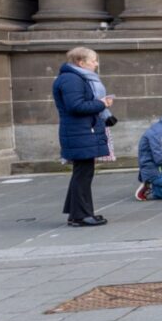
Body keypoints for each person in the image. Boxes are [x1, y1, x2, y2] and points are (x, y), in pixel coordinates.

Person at [52, 46, 116, 227]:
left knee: (82, 172)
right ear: (81, 62)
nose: (96, 64)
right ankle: (81, 215)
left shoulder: (73, 78)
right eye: (93, 60)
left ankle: (77, 213)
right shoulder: (72, 79)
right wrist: (101, 103)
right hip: (80, 131)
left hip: (81, 131)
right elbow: (76, 106)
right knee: (83, 174)